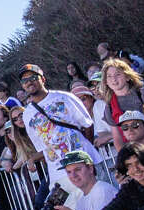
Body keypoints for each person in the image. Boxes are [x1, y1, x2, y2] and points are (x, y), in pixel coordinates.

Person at [20, 63, 100, 201]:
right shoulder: (27, 114)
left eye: (33, 77)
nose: (29, 82)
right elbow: (43, 147)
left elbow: (87, 125)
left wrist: (86, 153)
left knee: (99, 202)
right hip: (58, 172)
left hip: (84, 164)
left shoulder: (64, 97)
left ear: (42, 79)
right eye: (24, 80)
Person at [100, 58, 144, 150]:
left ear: (127, 76)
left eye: (117, 74)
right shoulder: (109, 106)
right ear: (106, 82)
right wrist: (123, 159)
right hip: (133, 151)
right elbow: (117, 137)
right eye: (109, 76)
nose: (113, 79)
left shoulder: (142, 93)